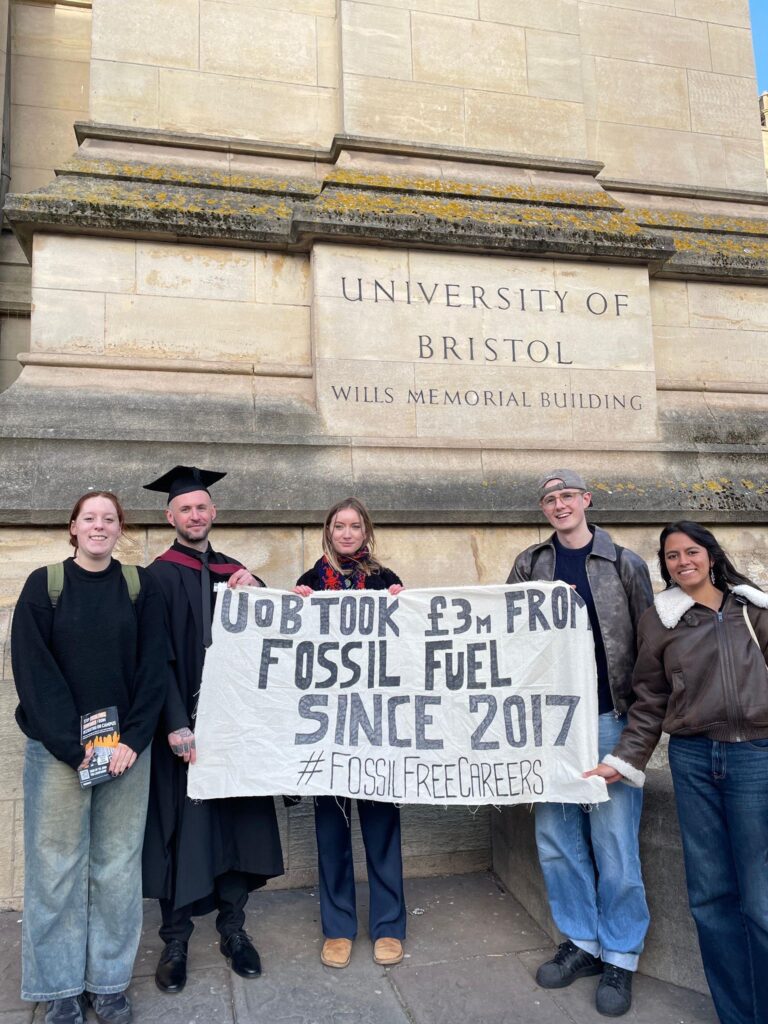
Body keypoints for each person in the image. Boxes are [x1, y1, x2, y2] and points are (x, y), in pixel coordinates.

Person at [587, 522, 768, 1024]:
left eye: (691, 552)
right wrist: (623, 759)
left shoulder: (754, 608)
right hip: (692, 760)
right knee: (710, 899)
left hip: (755, 757)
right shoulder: (659, 621)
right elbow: (650, 701)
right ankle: (738, 1016)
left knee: (761, 901)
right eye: (671, 556)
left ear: (711, 556)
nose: (682, 561)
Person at [11, 491, 169, 1024]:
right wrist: (72, 747)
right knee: (55, 868)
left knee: (117, 868)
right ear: (73, 527)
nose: (99, 527)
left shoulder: (138, 587)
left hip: (125, 752)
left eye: (109, 519)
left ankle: (108, 982)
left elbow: (154, 667)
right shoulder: (45, 585)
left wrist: (134, 739)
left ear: (119, 528)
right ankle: (58, 987)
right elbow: (34, 672)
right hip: (60, 754)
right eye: (89, 518)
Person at [508, 470, 652, 1017]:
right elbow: (502, 631)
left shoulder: (625, 563)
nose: (559, 504)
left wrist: (639, 733)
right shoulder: (532, 564)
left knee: (615, 842)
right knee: (556, 837)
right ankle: (581, 943)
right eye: (549, 498)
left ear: (586, 501)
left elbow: (648, 647)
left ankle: (621, 954)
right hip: (549, 723)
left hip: (608, 718)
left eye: (567, 495)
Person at [141, 466, 284, 994]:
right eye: (185, 509)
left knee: (234, 830)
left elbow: (276, 634)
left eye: (202, 507)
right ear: (170, 516)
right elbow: (156, 661)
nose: (195, 515)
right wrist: (176, 723)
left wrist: (261, 588)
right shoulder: (156, 577)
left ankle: (233, 930)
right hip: (181, 734)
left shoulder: (235, 571)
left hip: (235, 733)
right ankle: (175, 938)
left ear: (213, 513)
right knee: (179, 833)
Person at [294, 497, 406, 970]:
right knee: (331, 833)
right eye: (338, 526)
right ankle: (337, 928)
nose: (346, 533)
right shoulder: (308, 583)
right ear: (328, 530)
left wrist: (407, 607)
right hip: (328, 732)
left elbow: (408, 647)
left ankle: (389, 927)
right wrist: (293, 610)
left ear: (366, 532)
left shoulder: (385, 580)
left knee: (383, 831)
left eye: (354, 526)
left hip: (376, 726)